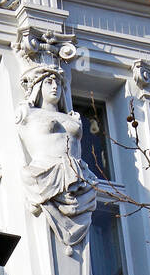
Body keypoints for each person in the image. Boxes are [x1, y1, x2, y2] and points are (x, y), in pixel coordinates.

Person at [16, 67, 96, 254]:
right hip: (45, 174)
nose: (55, 87)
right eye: (49, 82)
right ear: (38, 87)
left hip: (77, 176)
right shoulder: (28, 114)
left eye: (59, 83)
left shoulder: (72, 117)